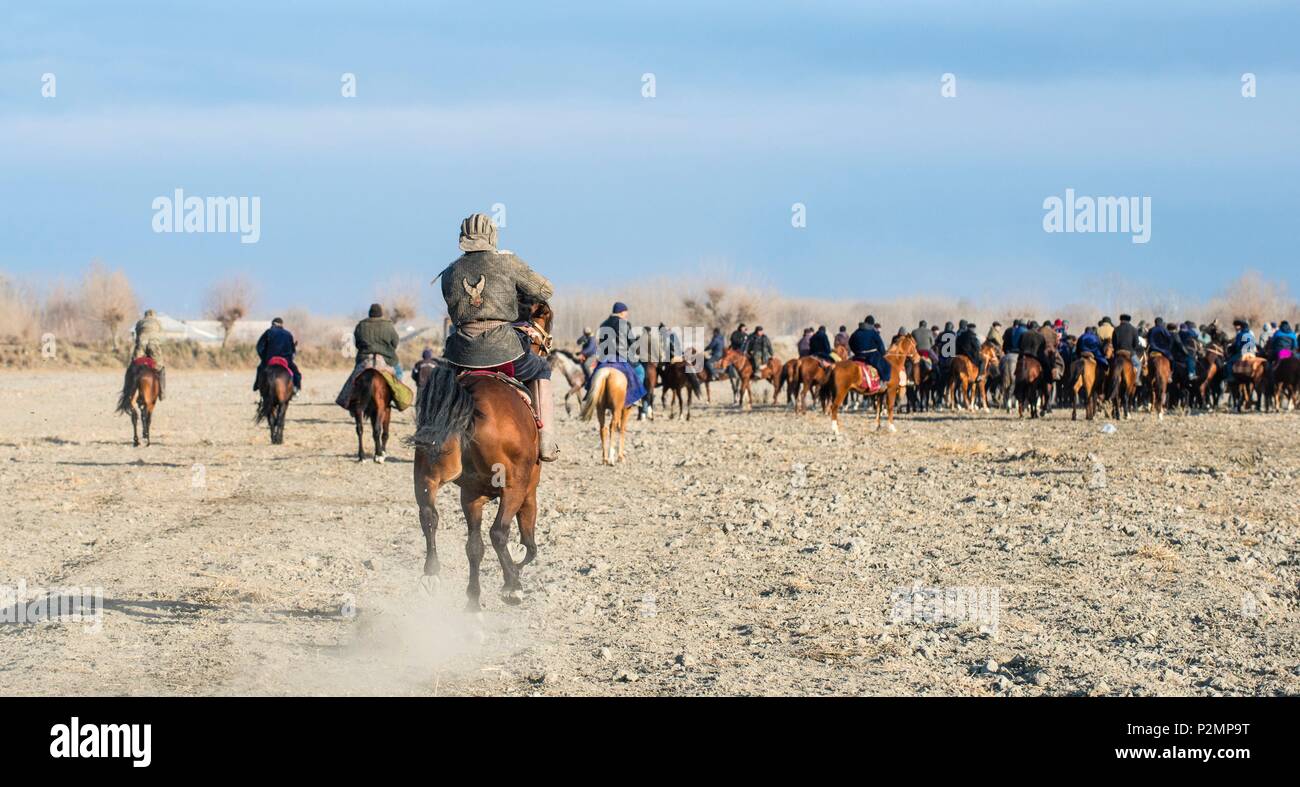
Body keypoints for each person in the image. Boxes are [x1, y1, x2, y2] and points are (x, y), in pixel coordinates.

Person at [435, 212, 559, 460]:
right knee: (542, 369)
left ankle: (434, 438)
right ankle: (546, 440)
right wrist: (514, 263)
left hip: (461, 353)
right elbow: (546, 290)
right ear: (492, 236)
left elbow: (454, 309)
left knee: (440, 383)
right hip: (503, 349)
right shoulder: (506, 262)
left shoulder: (449, 271)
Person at [592, 301, 647, 407]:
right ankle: (634, 398)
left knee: (595, 373)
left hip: (605, 356)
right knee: (640, 371)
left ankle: (590, 393)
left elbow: (601, 342)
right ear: (621, 312)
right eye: (626, 312)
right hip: (621, 355)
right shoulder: (624, 323)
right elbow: (631, 342)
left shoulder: (603, 324)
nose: (627, 314)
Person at [253, 317, 301, 393]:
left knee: (260, 369)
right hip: (286, 360)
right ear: (282, 325)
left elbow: (259, 347)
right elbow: (292, 351)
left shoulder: (268, 332)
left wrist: (264, 358)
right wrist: (290, 358)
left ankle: (257, 385)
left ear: (273, 324)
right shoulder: (288, 334)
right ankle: (296, 388)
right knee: (296, 373)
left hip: (270, 359)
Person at [130, 308, 167, 399]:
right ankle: (162, 393)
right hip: (153, 346)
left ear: (145, 315)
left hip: (141, 344)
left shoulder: (140, 322)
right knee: (160, 367)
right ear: (154, 315)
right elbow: (163, 339)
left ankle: (129, 390)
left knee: (134, 366)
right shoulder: (158, 323)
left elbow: (136, 336)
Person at [848, 317, 889, 385]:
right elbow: (880, 344)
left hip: (858, 356)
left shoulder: (856, 331)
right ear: (872, 324)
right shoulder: (873, 332)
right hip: (871, 356)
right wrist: (882, 353)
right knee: (886, 365)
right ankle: (882, 382)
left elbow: (850, 342)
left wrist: (856, 351)